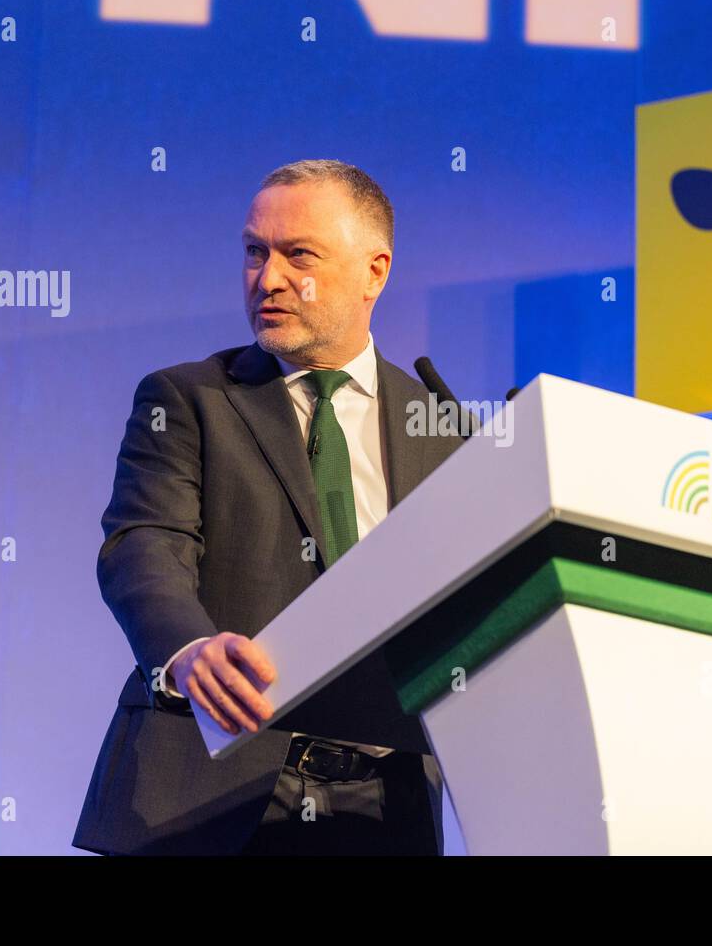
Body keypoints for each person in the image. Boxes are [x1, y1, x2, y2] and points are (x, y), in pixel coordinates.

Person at [72, 159, 464, 855]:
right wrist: (187, 652)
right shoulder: (190, 400)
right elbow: (143, 547)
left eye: (298, 254)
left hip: (388, 806)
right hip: (212, 799)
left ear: (375, 272)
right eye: (255, 252)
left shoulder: (439, 422)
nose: (268, 277)